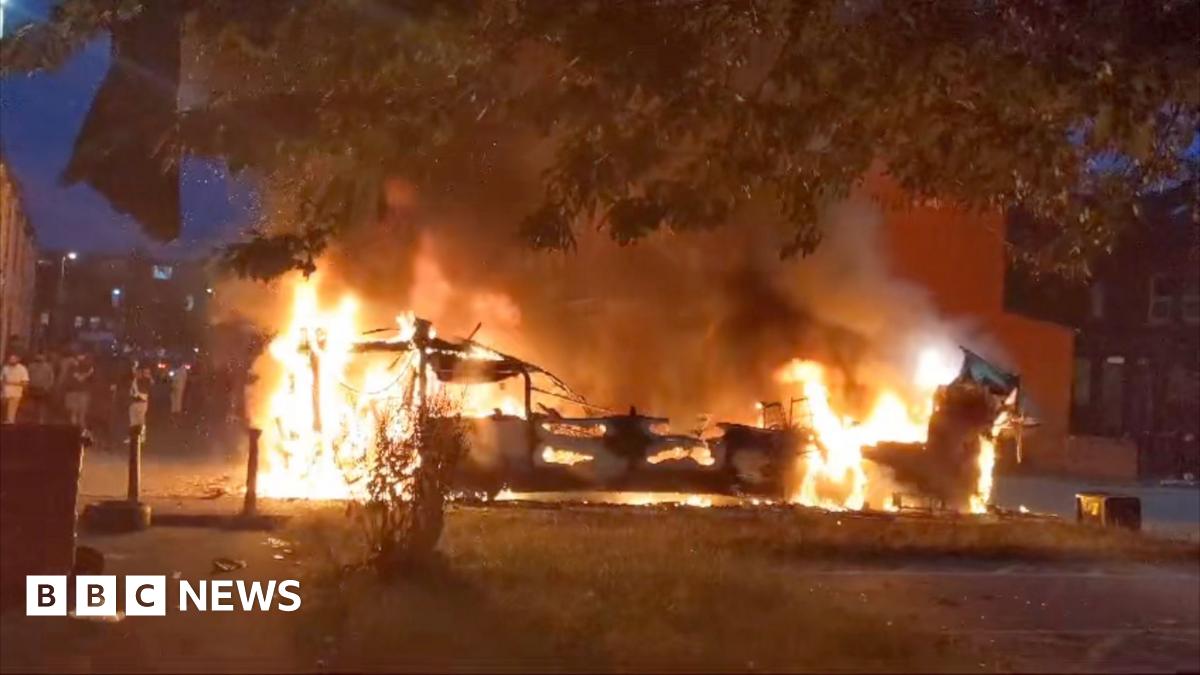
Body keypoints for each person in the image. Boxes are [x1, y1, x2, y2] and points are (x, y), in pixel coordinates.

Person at [64, 354, 95, 428]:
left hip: (80, 392)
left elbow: (90, 380)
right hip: (76, 392)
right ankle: (77, 429)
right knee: (77, 413)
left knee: (79, 413)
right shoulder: (74, 368)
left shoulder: (85, 366)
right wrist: (89, 374)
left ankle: (78, 429)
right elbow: (80, 378)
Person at [26, 353, 55, 423]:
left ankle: (40, 419)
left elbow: (51, 378)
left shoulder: (48, 367)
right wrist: (27, 386)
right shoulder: (31, 366)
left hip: (42, 388)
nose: (40, 358)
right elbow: (26, 377)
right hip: (33, 388)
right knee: (33, 405)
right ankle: (33, 418)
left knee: (41, 405)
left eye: (41, 357)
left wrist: (47, 386)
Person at [1, 354, 30, 423]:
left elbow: (25, 382)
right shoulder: (5, 368)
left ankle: (10, 422)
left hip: (16, 392)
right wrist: (2, 388)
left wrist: (12, 383)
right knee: (3, 408)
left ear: (17, 360)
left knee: (12, 409)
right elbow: (2, 379)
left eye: (13, 359)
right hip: (5, 392)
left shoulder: (22, 369)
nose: (12, 361)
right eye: (10, 359)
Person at [129, 365, 153, 430]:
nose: (136, 373)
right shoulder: (134, 380)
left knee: (140, 421)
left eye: (138, 372)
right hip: (134, 403)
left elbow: (144, 392)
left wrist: (137, 394)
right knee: (134, 422)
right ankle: (135, 438)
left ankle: (141, 438)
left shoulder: (145, 381)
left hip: (141, 403)